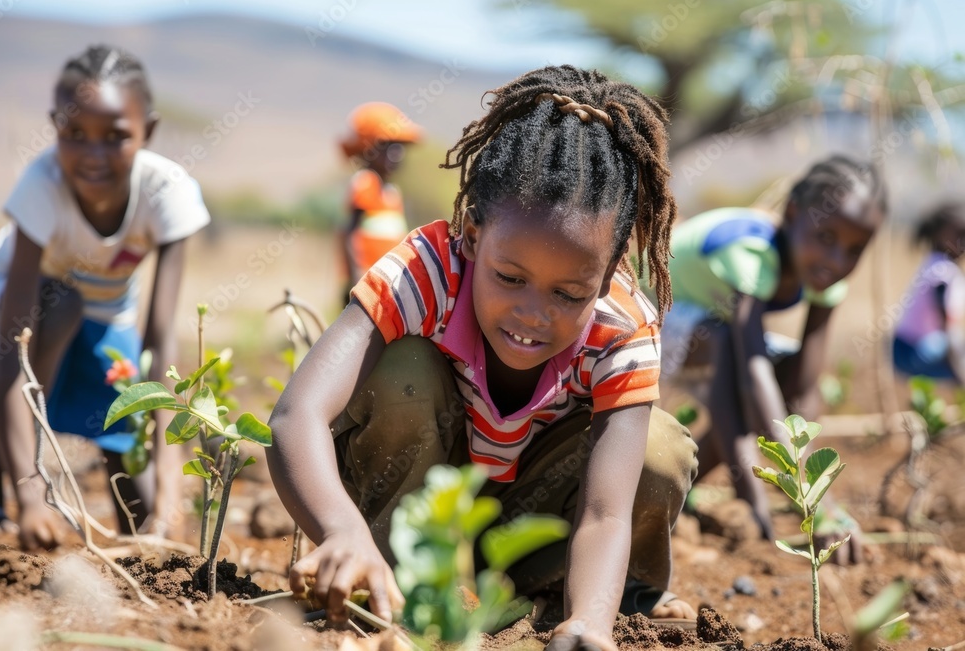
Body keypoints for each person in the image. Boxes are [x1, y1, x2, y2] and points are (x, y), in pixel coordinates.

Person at [268, 65, 698, 651]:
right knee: (405, 372)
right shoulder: (426, 272)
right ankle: (392, 577)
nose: (532, 313)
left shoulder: (623, 326)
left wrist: (591, 624)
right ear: (472, 235)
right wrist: (341, 533)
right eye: (509, 277)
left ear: (610, 269)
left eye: (568, 293)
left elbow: (604, 513)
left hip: (539, 532)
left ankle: (609, 602)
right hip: (419, 520)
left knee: (659, 448)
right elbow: (298, 415)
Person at [0, 44, 210, 550]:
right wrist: (31, 498)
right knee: (59, 310)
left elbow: (160, 343)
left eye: (115, 137)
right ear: (55, 125)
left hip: (105, 317)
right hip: (12, 309)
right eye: (74, 134)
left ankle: (145, 532)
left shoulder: (168, 193)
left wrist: (168, 498)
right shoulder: (42, 185)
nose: (93, 155)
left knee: (124, 416)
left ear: (149, 131)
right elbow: (14, 353)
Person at [660, 155, 886, 561]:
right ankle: (746, 497)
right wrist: (805, 501)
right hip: (653, 314)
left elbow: (805, 386)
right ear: (794, 213)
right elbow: (752, 371)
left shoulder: (825, 281)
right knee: (737, 347)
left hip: (714, 331)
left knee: (784, 369)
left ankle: (679, 492)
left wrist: (823, 504)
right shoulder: (753, 248)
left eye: (855, 250)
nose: (837, 262)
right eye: (827, 237)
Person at [338, 101, 423, 297]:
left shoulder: (392, 193)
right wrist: (357, 280)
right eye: (386, 146)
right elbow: (349, 233)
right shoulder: (366, 183)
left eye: (399, 147)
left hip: (386, 285)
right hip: (365, 286)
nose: (396, 153)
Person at [892, 201, 965, 383]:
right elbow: (948, 332)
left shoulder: (934, 262)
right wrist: (960, 374)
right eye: (960, 234)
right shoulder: (943, 272)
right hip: (911, 354)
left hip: (901, 349)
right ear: (939, 234)